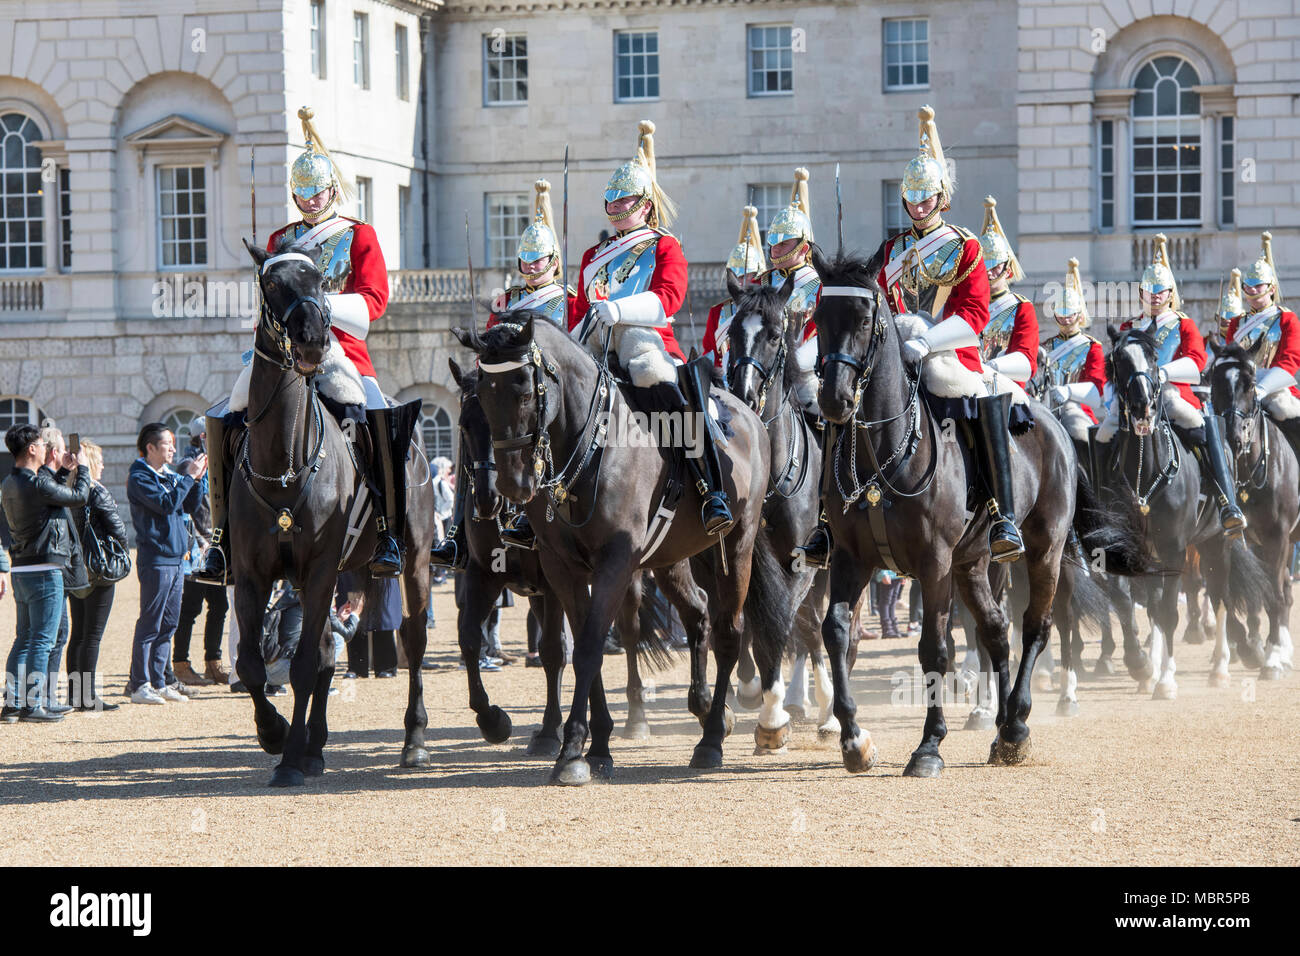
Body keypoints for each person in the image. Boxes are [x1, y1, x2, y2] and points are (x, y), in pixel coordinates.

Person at [198, 105, 420, 585]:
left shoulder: (358, 235)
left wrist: (317, 308)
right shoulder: (282, 239)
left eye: (317, 191)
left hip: (339, 350)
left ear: (333, 189)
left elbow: (373, 302)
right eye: (301, 192)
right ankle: (221, 540)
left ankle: (386, 532)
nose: (310, 199)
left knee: (375, 413)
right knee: (227, 410)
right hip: (282, 353)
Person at [797, 106, 1025, 567]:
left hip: (948, 353)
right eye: (912, 198)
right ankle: (827, 519)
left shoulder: (965, 245)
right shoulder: (894, 249)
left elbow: (977, 312)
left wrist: (929, 341)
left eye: (927, 198)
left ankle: (1002, 514)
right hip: (896, 351)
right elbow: (875, 306)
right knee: (843, 404)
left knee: (977, 396)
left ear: (942, 198)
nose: (918, 206)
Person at [567, 119, 731, 537]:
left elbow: (668, 299)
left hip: (650, 341)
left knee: (669, 388)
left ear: (646, 204)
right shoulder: (593, 255)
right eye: (613, 200)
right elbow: (580, 311)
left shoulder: (664, 245)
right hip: (597, 342)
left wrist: (619, 312)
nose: (619, 207)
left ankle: (709, 487)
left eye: (628, 201)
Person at [1096, 233, 1246, 538]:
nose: (1154, 296)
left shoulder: (1183, 324)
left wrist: (1162, 374)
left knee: (1200, 425)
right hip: (1133, 398)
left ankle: (1225, 499)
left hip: (1172, 393)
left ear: (1170, 293)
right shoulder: (1128, 328)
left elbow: (1196, 361)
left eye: (1160, 291)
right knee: (1105, 429)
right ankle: (1101, 502)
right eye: (1149, 291)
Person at [1, 424, 91, 722]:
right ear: (31, 448)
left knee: (24, 638)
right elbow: (78, 496)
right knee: (42, 639)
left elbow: (51, 501)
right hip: (45, 568)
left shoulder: (10, 483)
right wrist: (84, 469)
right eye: (40, 444)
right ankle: (33, 703)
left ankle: (13, 704)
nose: (44, 448)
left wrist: (62, 472)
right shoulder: (37, 483)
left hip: (22, 568)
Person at [126, 423, 204, 705]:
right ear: (150, 448)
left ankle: (159, 681)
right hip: (156, 558)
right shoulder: (139, 476)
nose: (173, 448)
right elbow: (166, 504)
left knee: (169, 623)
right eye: (167, 444)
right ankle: (139, 684)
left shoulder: (167, 474)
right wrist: (188, 479)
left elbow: (188, 507)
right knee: (150, 622)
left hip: (175, 558)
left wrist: (197, 481)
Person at [1225, 233, 1300, 460]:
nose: (1254, 290)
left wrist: (1263, 388)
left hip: (1277, 391)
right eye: (1250, 285)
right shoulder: (1237, 323)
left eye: (1259, 285)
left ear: (1271, 288)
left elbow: (1291, 359)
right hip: (1240, 392)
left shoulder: (1286, 319)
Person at [67, 440, 127, 711]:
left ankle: (74, 695)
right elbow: (119, 531)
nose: (103, 465)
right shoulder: (97, 492)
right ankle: (88, 697)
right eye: (99, 461)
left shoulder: (70, 491)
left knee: (78, 633)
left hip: (76, 566)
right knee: (93, 635)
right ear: (91, 463)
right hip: (99, 568)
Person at [172, 417, 229, 685]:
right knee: (191, 608)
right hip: (196, 548)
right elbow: (185, 509)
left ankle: (213, 662)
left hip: (215, 546)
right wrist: (199, 540)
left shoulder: (213, 463)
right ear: (203, 437)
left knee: (219, 605)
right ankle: (181, 663)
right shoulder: (188, 465)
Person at [759, 168, 822, 411]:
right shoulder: (762, 283)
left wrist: (795, 363)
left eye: (784, 243)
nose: (775, 249)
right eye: (773, 242)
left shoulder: (820, 285)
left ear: (804, 248)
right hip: (763, 367)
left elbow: (821, 335)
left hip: (805, 369)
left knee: (822, 410)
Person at [1042, 258, 1107, 446]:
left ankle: (1090, 475)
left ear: (1079, 315)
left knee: (1079, 432)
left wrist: (1068, 390)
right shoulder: (1046, 346)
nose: (1065, 321)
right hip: (1046, 406)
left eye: (1069, 316)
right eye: (1061, 316)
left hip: (1076, 407)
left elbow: (1096, 390)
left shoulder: (1091, 347)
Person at [977, 196, 1038, 389]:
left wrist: (991, 366)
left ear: (1008, 269)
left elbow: (1027, 361)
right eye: (984, 265)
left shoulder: (1021, 308)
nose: (989, 272)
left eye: (995, 266)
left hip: (1006, 388)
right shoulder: (967, 304)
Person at [701, 204, 767, 372]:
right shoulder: (718, 312)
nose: (740, 282)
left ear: (758, 275)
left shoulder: (768, 311)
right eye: (735, 276)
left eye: (746, 275)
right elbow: (711, 354)